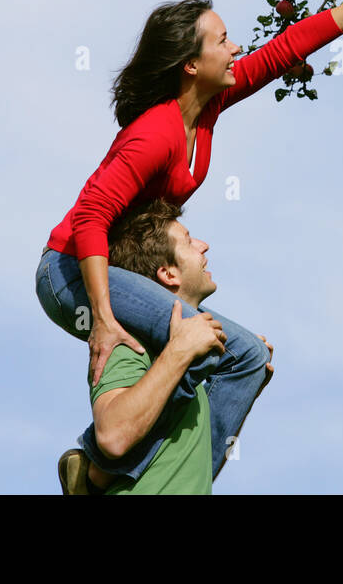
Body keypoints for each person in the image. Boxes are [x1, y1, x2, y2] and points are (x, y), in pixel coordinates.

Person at [37, 0, 343, 489]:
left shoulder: (209, 105)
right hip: (69, 271)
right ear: (192, 64)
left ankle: (177, 478)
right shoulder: (156, 132)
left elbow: (289, 46)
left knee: (244, 359)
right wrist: (102, 318)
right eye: (223, 41)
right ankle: (99, 469)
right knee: (234, 349)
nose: (238, 47)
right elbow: (90, 218)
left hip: (107, 269)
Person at [58, 199, 270, 494]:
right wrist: (178, 352)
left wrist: (242, 384)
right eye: (187, 240)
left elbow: (196, 466)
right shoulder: (131, 345)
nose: (203, 245)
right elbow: (113, 436)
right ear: (168, 273)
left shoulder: (190, 372)